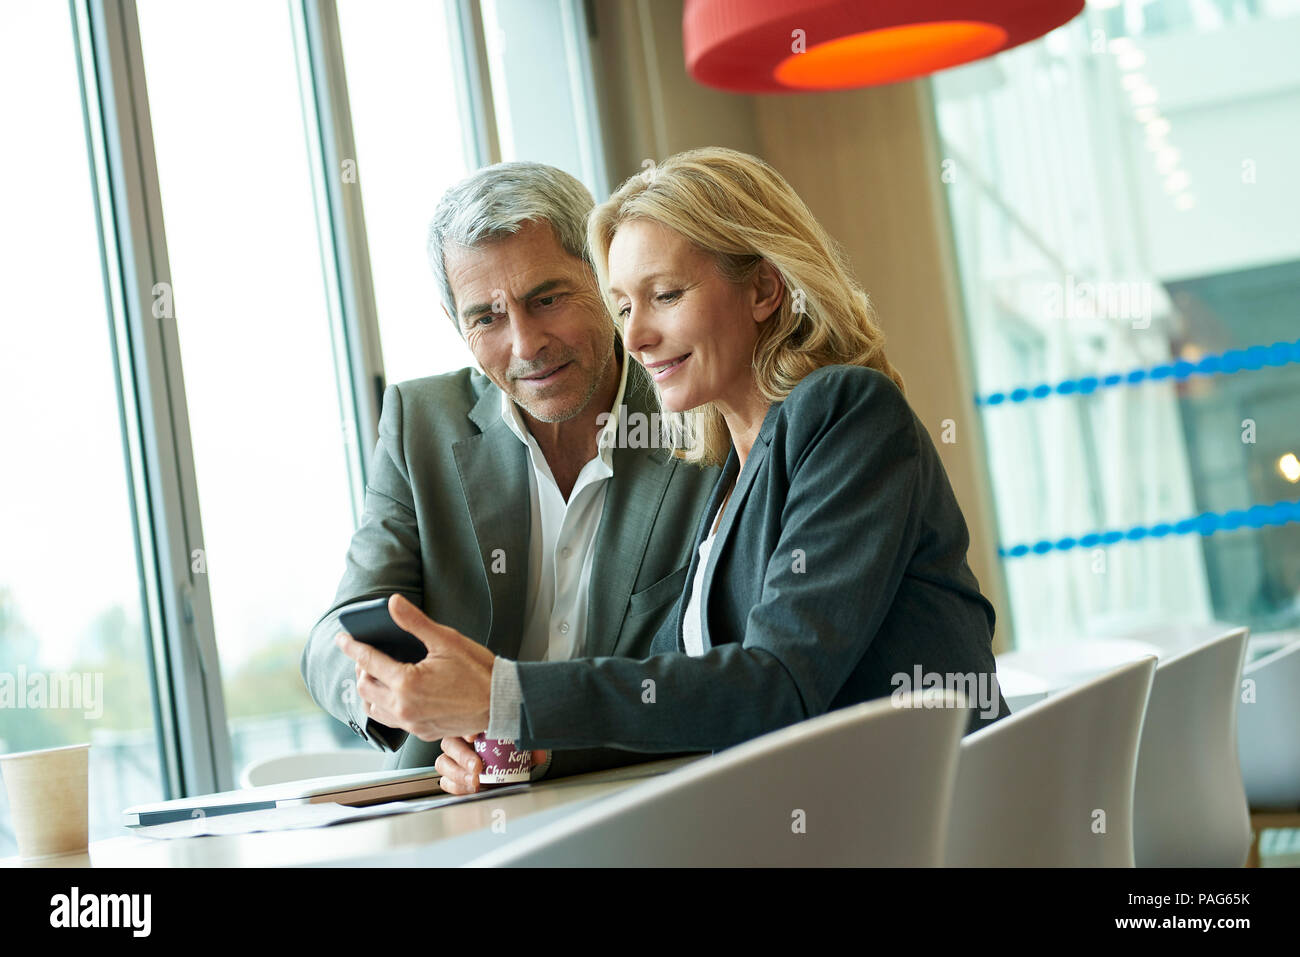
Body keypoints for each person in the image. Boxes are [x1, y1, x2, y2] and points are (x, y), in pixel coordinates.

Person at [335, 147, 1010, 795]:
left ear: (764, 289)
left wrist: (508, 694)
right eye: (624, 305)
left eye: (664, 295)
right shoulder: (728, 468)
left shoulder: (846, 412)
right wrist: (529, 742)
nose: (634, 337)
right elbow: (680, 691)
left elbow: (777, 682)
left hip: (927, 821)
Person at [301, 162, 718, 782]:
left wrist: (525, 725)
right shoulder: (422, 422)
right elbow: (337, 635)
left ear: (605, 279)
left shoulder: (698, 414)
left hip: (642, 789)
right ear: (457, 326)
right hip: (460, 795)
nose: (525, 346)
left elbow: (713, 672)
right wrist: (415, 695)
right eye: (486, 318)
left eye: (546, 299)